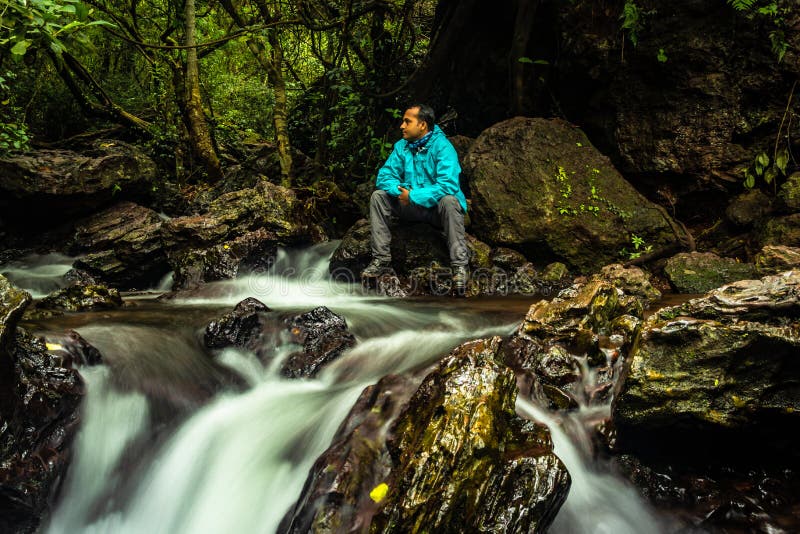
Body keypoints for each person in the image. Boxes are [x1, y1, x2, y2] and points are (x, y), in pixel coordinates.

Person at [360, 104, 470, 292]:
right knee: (378, 197)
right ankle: (381, 259)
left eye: (407, 121)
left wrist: (413, 195)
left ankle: (460, 266)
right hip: (409, 207)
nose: (402, 126)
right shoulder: (401, 147)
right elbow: (384, 177)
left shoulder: (443, 147)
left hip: (437, 211)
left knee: (450, 200)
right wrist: (399, 192)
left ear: (422, 125)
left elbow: (448, 185)